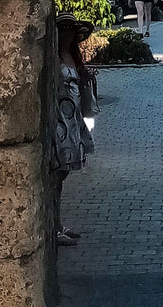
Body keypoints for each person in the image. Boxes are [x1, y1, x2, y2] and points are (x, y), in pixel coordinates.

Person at [50, 14, 96, 245]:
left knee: (64, 173)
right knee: (57, 172)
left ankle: (56, 224)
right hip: (60, 119)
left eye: (72, 29)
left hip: (73, 118)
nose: (69, 33)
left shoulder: (71, 55)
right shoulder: (53, 57)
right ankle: (53, 226)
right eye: (65, 29)